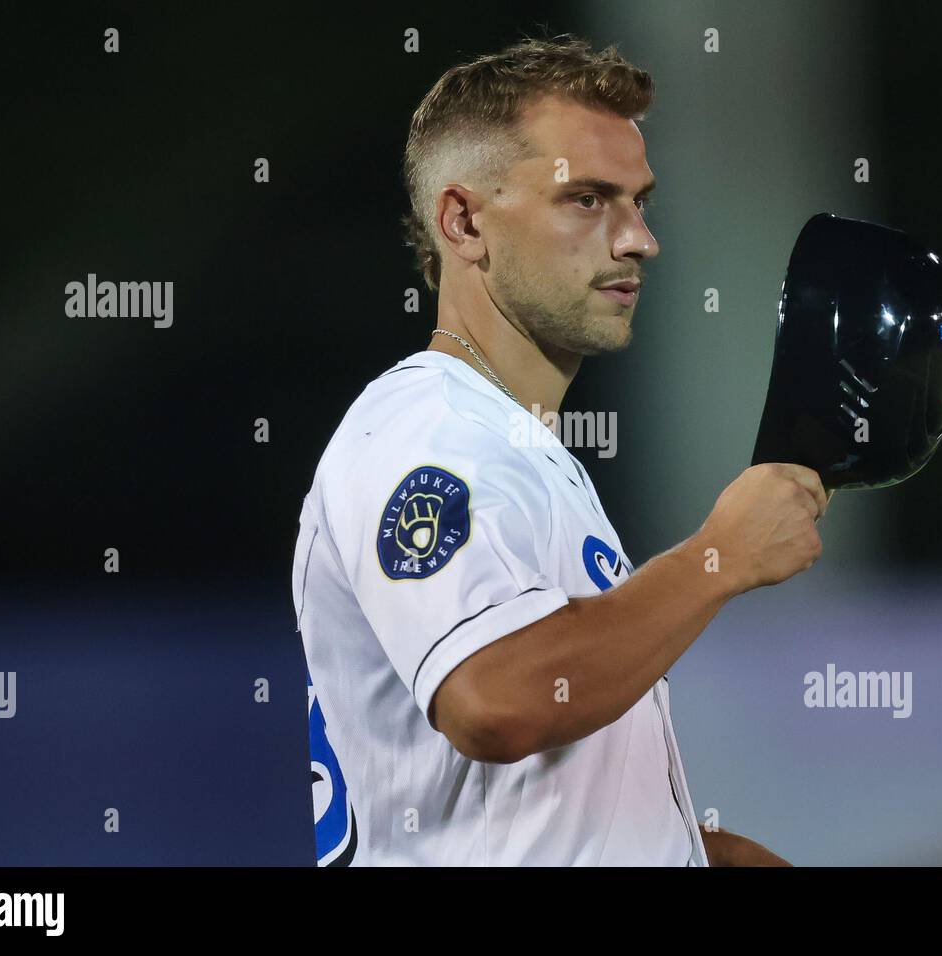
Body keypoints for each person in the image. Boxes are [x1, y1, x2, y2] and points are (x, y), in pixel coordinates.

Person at [293, 34, 828, 866]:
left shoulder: (516, 446)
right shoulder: (427, 433)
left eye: (639, 201)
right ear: (464, 221)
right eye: (587, 200)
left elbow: (538, 822)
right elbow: (495, 703)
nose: (638, 240)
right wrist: (721, 556)